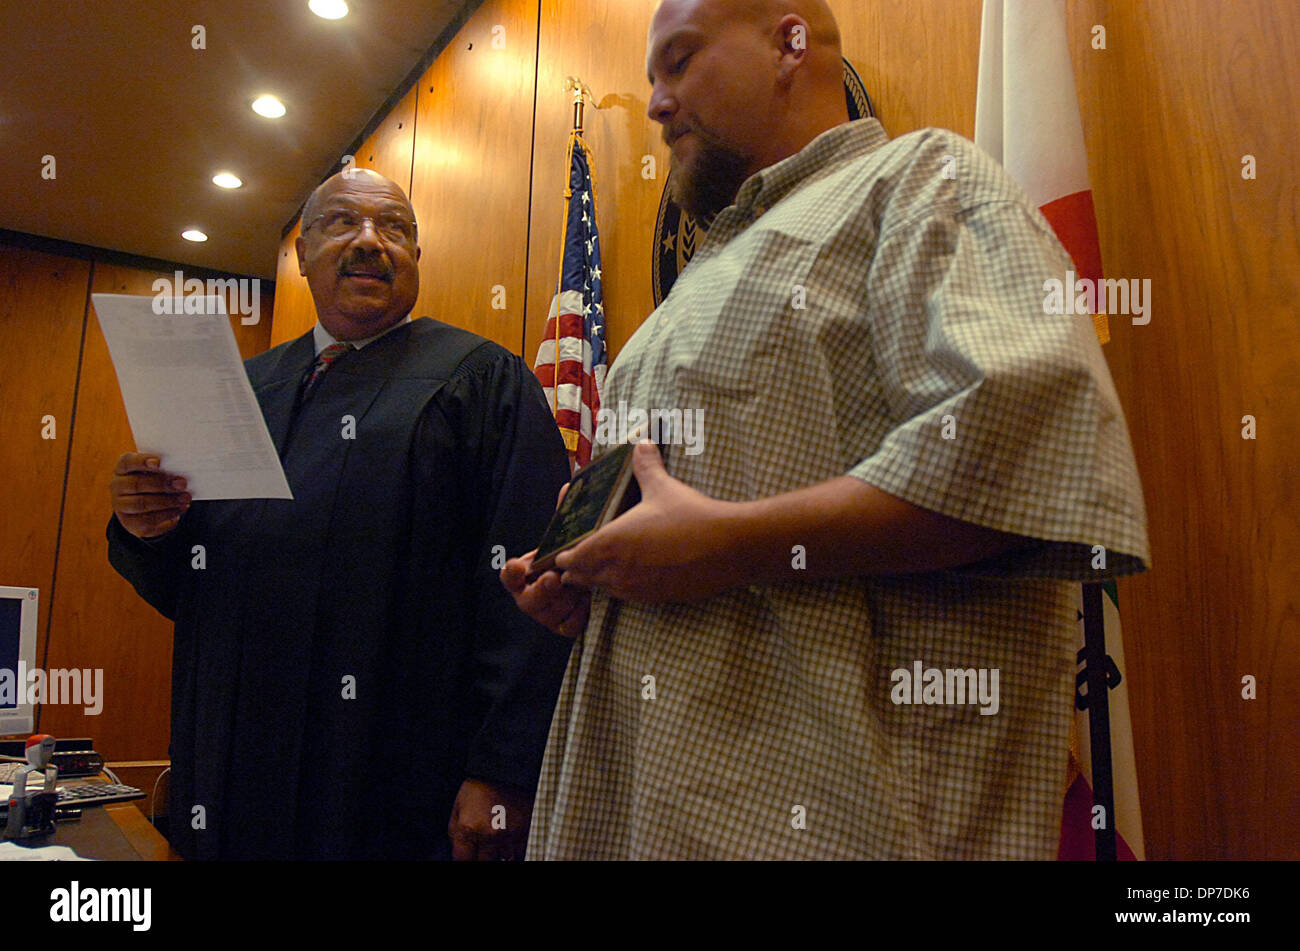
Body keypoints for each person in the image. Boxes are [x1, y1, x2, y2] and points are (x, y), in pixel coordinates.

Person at [502, 0, 1150, 859]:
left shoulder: (924, 182)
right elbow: (681, 514)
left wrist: (730, 544)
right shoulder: (687, 292)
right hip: (632, 809)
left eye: (681, 61)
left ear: (789, 42)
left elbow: (1037, 457)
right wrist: (591, 564)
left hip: (825, 824)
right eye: (652, 77)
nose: (656, 103)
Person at [108, 168, 572, 860]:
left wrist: (502, 769)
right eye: (342, 223)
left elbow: (531, 590)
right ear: (300, 253)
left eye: (395, 228)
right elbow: (196, 589)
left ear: (416, 257)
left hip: (392, 777)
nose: (370, 242)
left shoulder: (481, 382)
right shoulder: (245, 389)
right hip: (234, 762)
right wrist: (148, 530)